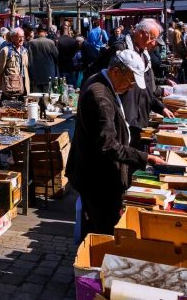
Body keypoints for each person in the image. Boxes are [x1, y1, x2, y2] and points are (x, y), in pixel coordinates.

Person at [67, 50, 165, 237]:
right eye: (129, 81)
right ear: (116, 72)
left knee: (96, 228)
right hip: (98, 180)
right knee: (103, 231)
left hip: (95, 174)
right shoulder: (100, 97)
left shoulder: (101, 81)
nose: (130, 87)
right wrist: (145, 158)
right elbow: (108, 145)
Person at [88, 19, 169, 151]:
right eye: (153, 38)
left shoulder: (144, 54)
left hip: (139, 117)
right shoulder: (121, 50)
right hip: (125, 116)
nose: (154, 43)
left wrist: (160, 107)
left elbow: (146, 88)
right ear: (142, 33)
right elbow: (103, 76)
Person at [0, 29, 30, 101]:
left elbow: (26, 68)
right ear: (12, 38)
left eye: (23, 37)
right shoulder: (5, 51)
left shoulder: (25, 51)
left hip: (24, 88)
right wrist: (1, 84)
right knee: (8, 107)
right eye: (19, 37)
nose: (21, 39)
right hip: (10, 88)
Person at [26, 25, 59, 93]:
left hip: (35, 75)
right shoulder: (50, 42)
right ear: (46, 32)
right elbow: (56, 56)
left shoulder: (31, 43)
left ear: (37, 32)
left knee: (36, 97)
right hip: (48, 74)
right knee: (48, 97)